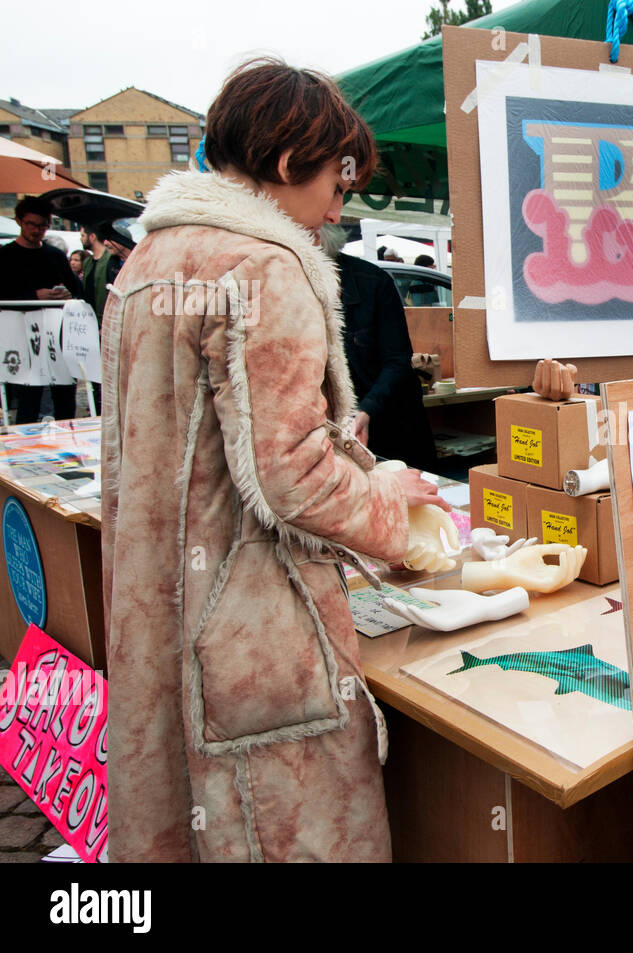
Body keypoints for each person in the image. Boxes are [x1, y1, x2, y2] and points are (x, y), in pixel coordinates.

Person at [100, 57, 447, 862]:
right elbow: (291, 473)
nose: (334, 210)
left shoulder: (146, 264)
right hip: (253, 628)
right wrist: (391, 505)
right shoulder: (265, 264)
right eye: (335, 182)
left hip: (161, 612)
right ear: (290, 163)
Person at [324, 231, 440, 472]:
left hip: (391, 424)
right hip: (338, 432)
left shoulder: (372, 281)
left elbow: (397, 360)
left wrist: (366, 410)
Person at [0, 195, 84, 422]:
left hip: (57, 334)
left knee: (65, 393)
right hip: (21, 336)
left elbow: (77, 289)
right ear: (19, 221)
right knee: (29, 396)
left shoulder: (55, 256)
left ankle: (69, 439)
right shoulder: (6, 256)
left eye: (42, 226)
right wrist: (33, 296)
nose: (37, 231)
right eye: (31, 224)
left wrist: (67, 294)